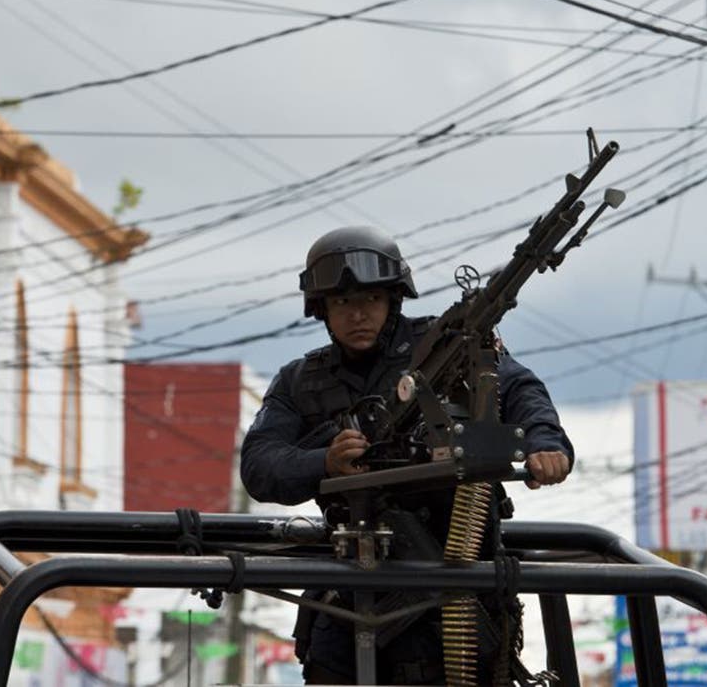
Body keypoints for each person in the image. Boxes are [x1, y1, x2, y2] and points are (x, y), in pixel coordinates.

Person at [240, 225, 573, 684]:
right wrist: (324, 462)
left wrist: (544, 443)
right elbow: (259, 465)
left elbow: (517, 388)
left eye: (371, 300)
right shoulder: (300, 380)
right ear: (321, 310)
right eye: (341, 303)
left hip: (454, 585)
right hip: (349, 591)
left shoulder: (443, 350)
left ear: (393, 300)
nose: (358, 314)